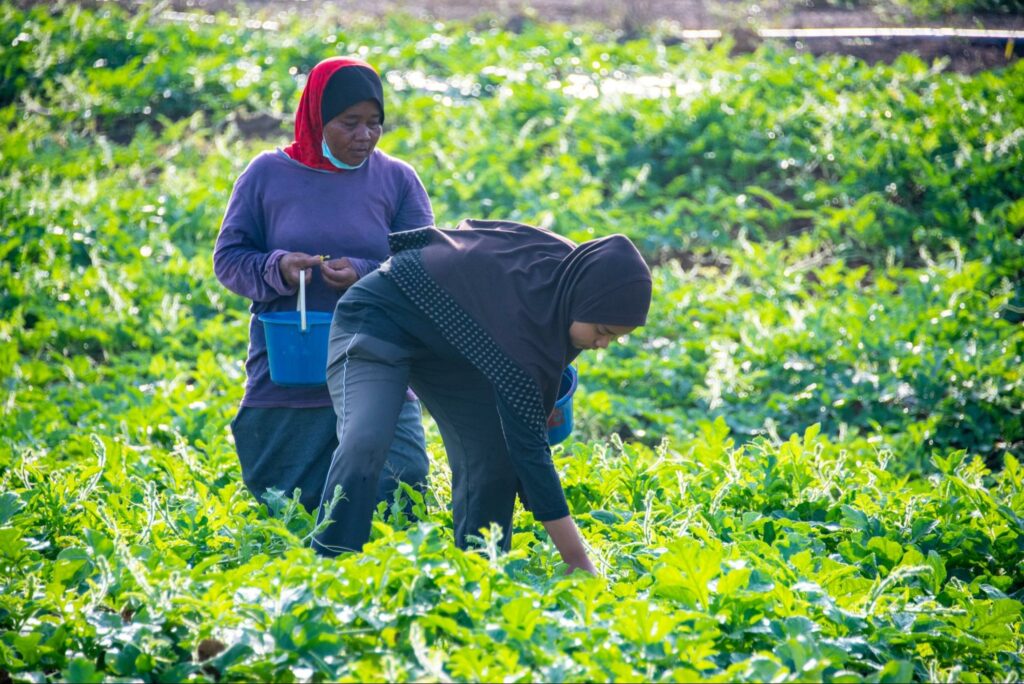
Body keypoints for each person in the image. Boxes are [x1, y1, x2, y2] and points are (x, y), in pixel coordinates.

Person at [315, 219, 652, 574]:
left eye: (614, 338)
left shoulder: (572, 281)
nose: (602, 345)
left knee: (495, 459)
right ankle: (330, 566)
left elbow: (475, 228)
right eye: (602, 331)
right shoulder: (527, 326)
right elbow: (532, 452)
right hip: (380, 318)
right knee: (365, 439)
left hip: (456, 346)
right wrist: (576, 559)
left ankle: (480, 576)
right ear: (582, 300)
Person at [213, 56, 433, 516]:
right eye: (349, 123)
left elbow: (425, 269)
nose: (364, 136)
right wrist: (277, 267)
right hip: (294, 364)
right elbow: (229, 259)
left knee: (400, 486)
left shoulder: (396, 180)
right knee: (291, 502)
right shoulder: (267, 175)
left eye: (375, 123)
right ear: (316, 118)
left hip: (376, 358)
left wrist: (365, 271)